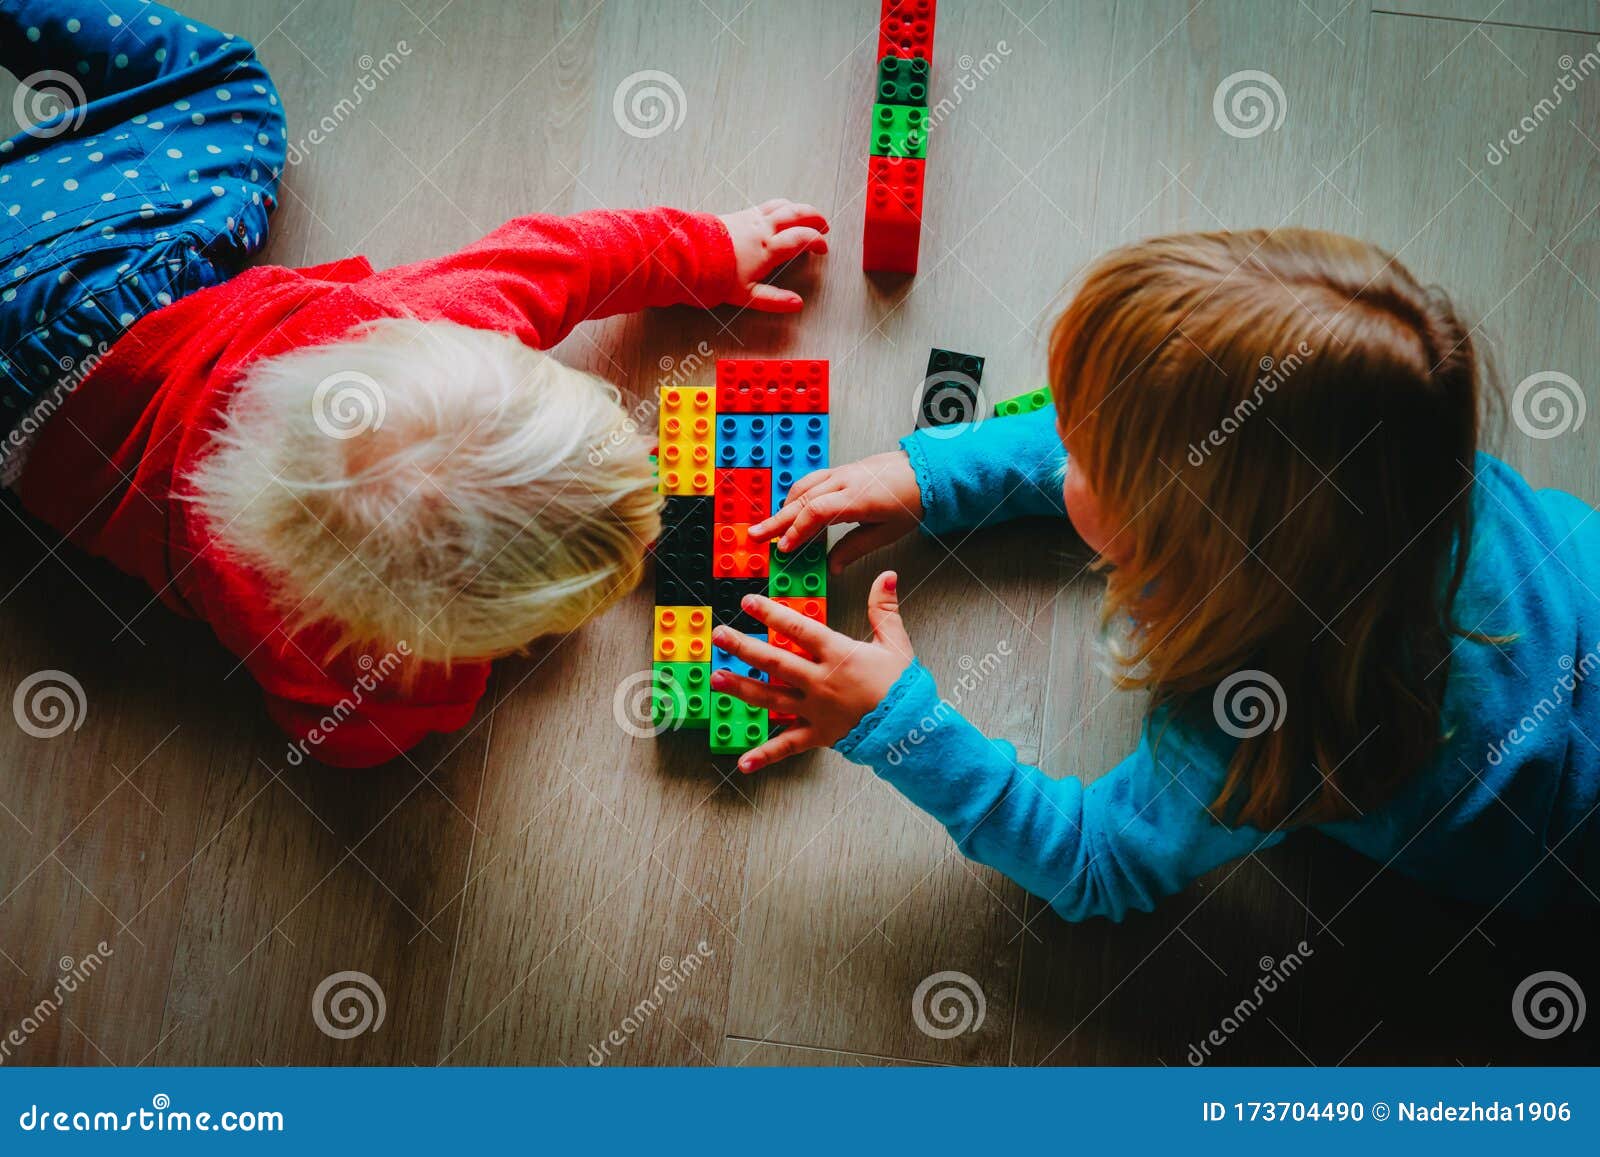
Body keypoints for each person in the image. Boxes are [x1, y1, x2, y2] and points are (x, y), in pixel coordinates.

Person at [1, 0, 829, 766]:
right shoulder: (360, 674)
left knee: (233, 97)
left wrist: (710, 249)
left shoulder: (442, 320)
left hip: (87, 267)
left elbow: (570, 254)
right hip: (37, 379)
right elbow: (338, 745)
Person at [710, 228, 1600, 919]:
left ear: (1188, 554)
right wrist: (937, 475)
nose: (1064, 449)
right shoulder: (1384, 439)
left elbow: (1094, 864)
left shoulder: (1245, 727)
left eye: (1091, 451)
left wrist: (897, 721)